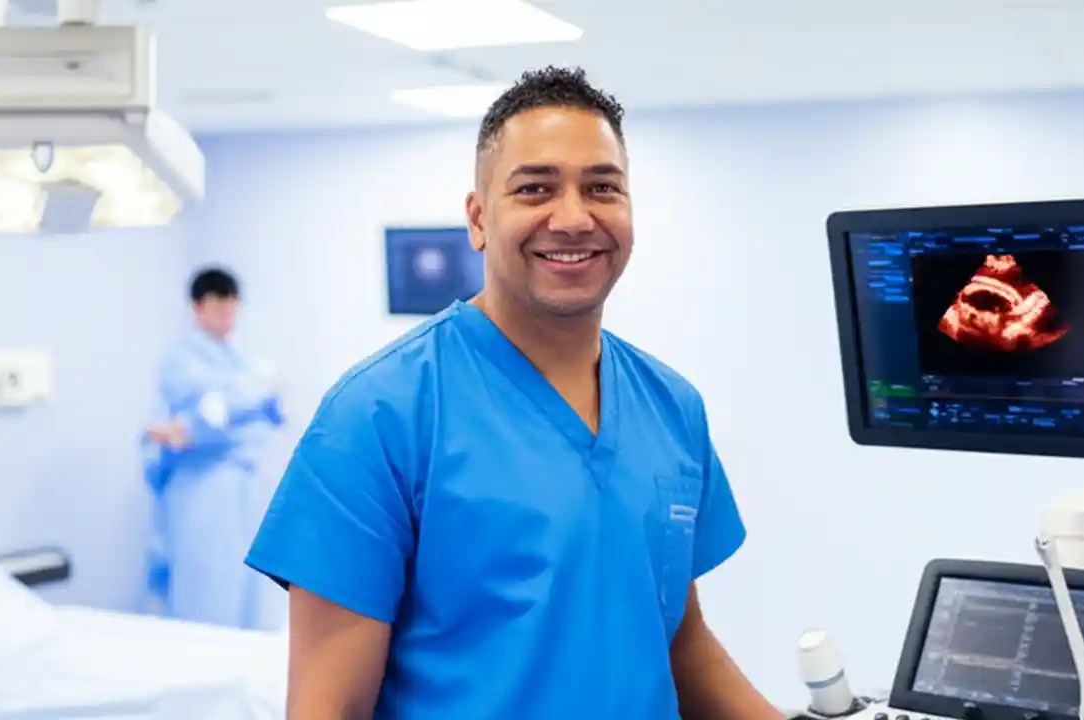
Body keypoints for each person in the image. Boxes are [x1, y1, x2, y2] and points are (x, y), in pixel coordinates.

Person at [245, 66, 782, 719]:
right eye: (535, 189)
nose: (574, 217)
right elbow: (327, 709)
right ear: (477, 218)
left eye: (602, 187)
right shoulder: (380, 413)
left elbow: (680, 643)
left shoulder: (671, 407)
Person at [143, 267, 284, 628]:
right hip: (202, 488)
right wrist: (244, 404)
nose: (227, 312)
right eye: (218, 304)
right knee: (206, 584)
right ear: (198, 307)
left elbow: (263, 412)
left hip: (242, 488)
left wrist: (230, 411)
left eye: (232, 304)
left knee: (247, 584)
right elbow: (207, 420)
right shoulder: (183, 360)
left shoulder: (240, 361)